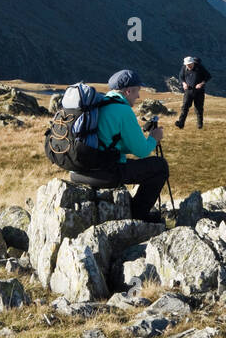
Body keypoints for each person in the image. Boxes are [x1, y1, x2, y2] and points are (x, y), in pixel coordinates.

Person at [78, 69, 169, 221]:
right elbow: (142, 151)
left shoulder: (101, 104)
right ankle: (138, 215)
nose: (138, 96)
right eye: (136, 91)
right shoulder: (123, 110)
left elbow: (109, 143)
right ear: (127, 91)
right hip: (105, 172)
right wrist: (154, 138)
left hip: (83, 169)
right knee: (160, 166)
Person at [175, 56, 210, 129]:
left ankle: (199, 125)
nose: (189, 66)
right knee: (185, 107)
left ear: (193, 63)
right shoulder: (184, 68)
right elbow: (181, 77)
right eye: (187, 65)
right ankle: (181, 123)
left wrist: (201, 84)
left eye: (190, 64)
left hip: (199, 91)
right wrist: (184, 83)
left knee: (198, 108)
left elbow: (208, 76)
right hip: (188, 91)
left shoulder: (200, 68)